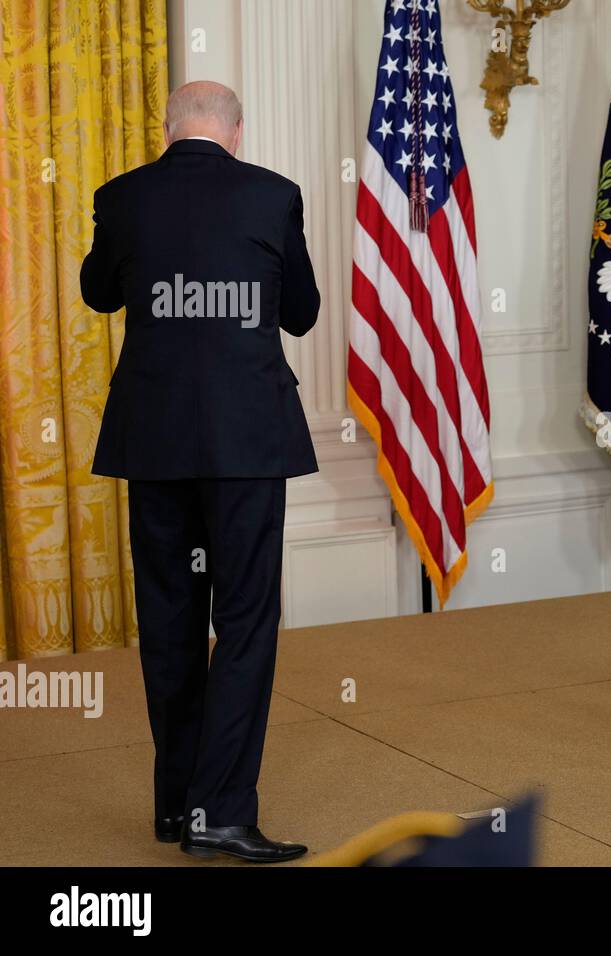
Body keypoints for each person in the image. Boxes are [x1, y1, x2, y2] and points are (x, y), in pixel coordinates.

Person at [81, 81, 319, 863]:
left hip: (154, 442)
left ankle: (178, 805)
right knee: (245, 619)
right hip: (246, 442)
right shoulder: (273, 196)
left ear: (167, 131)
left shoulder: (120, 197)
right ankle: (220, 812)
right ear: (236, 133)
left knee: (170, 618)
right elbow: (302, 312)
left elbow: (97, 293)